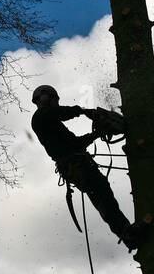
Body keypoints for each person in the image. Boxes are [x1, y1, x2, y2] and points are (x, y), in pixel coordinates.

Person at [30, 85, 147, 251]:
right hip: (75, 166)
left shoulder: (53, 123)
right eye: (54, 99)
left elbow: (75, 143)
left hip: (79, 164)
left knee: (105, 196)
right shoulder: (41, 117)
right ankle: (128, 234)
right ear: (44, 98)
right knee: (103, 198)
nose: (56, 103)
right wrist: (83, 111)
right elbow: (61, 114)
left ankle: (127, 233)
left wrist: (97, 133)